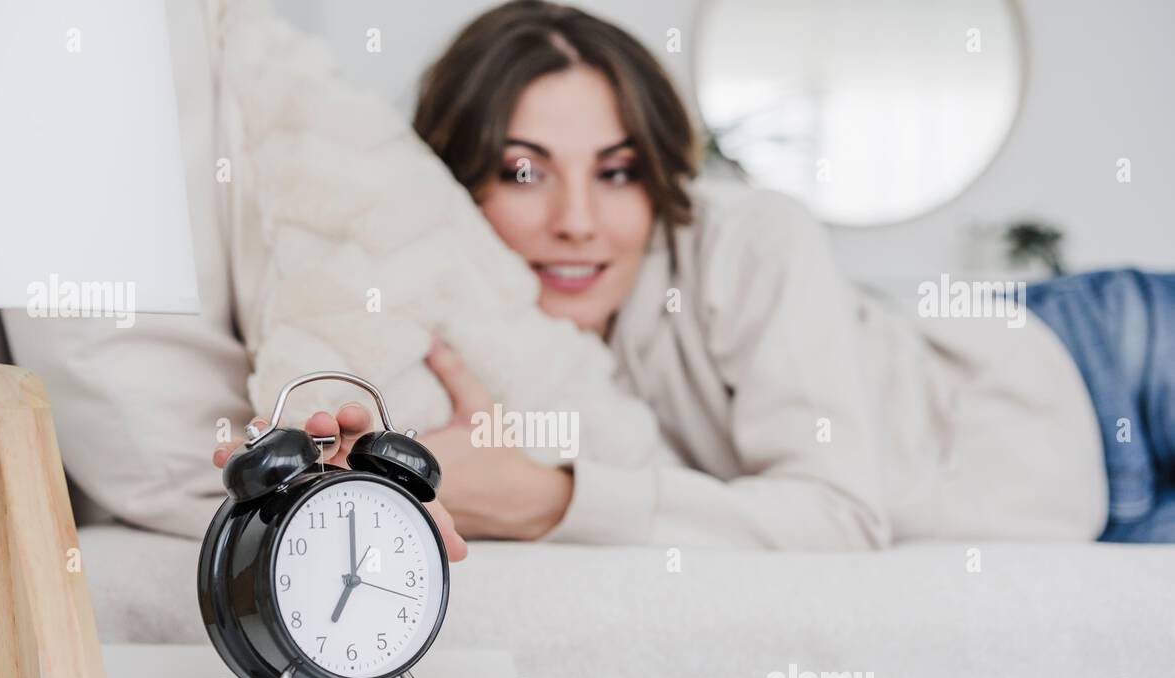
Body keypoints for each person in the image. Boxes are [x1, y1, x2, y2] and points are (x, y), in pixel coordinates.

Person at [215, 0, 1175, 551]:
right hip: (1089, 518)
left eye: (618, 171)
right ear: (451, 182)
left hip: (1096, 362)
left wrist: (551, 495)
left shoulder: (750, 239)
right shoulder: (474, 319)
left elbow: (839, 516)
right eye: (522, 171)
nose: (579, 221)